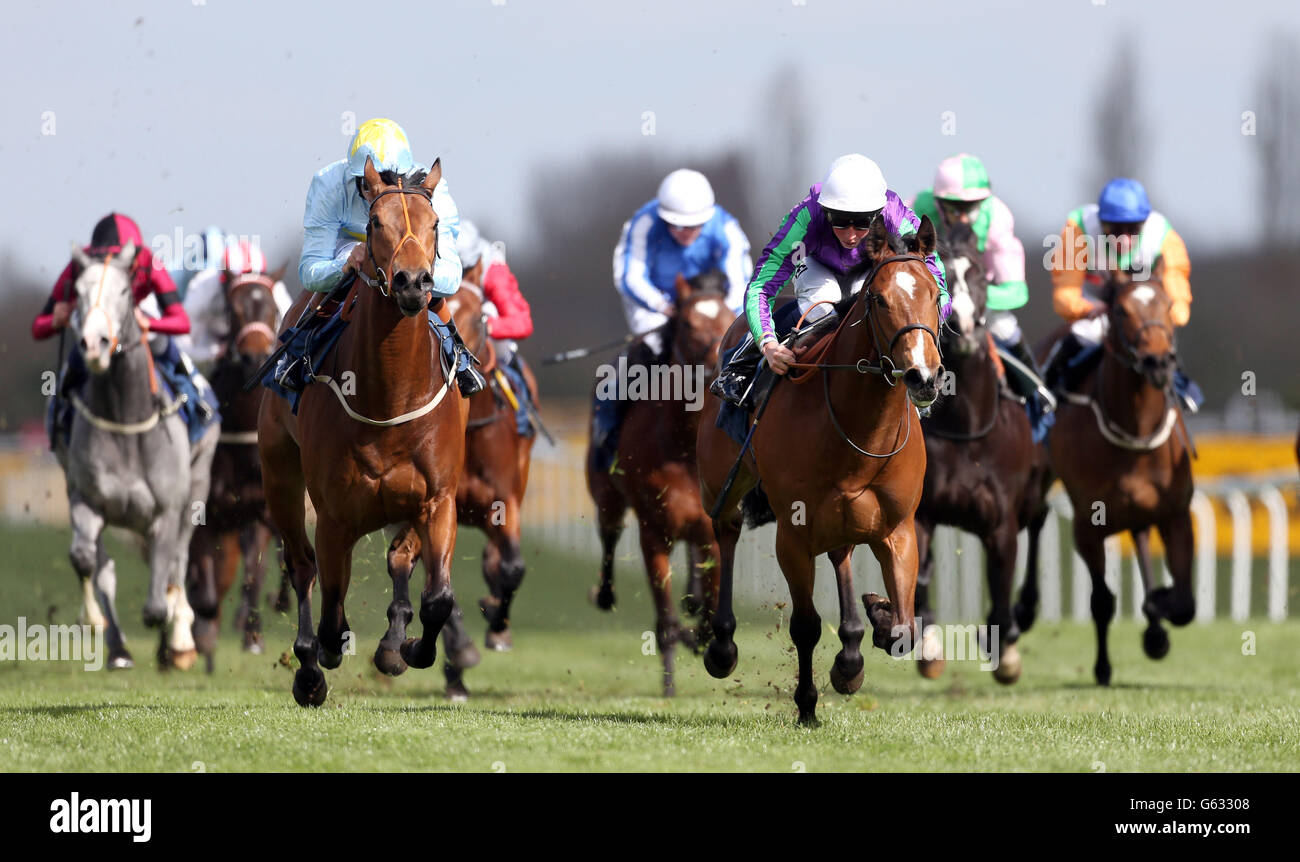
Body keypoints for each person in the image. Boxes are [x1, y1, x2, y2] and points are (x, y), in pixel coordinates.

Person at [711, 154, 950, 405]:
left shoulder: (895, 216)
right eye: (839, 221)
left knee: (883, 309)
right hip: (817, 265)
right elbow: (761, 287)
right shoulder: (807, 217)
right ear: (825, 212)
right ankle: (742, 364)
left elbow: (935, 287)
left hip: (872, 269)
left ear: (877, 214)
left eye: (860, 223)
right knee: (825, 307)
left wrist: (924, 326)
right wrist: (768, 344)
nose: (850, 235)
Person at [295, 117, 484, 395]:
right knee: (344, 269)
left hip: (406, 253)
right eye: (369, 182)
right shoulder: (328, 184)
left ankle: (458, 354)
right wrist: (343, 267)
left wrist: (415, 273)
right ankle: (296, 352)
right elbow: (310, 271)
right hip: (350, 247)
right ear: (356, 176)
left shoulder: (434, 191)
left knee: (419, 277)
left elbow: (452, 278)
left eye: (388, 180)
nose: (379, 188)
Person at [593, 169, 752, 453]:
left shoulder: (726, 228)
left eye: (694, 226)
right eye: (675, 226)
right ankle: (608, 429)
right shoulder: (643, 222)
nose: (685, 233)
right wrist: (664, 307)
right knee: (649, 347)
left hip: (710, 306)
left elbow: (740, 281)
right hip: (656, 304)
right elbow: (630, 276)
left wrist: (720, 314)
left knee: (737, 348)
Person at [33, 212, 218, 447]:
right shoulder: (79, 266)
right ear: (95, 254)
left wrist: (150, 324)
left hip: (139, 320)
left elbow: (182, 322)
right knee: (70, 371)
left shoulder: (149, 263)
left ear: (134, 258)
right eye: (104, 260)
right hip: (97, 326)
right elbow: (39, 328)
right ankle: (61, 421)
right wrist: (55, 320)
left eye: (120, 260)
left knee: (169, 353)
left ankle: (197, 407)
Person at [1043, 177, 1202, 411]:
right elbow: (1064, 296)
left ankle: (1181, 387)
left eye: (1132, 229)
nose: (1123, 238)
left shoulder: (1162, 236)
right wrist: (1088, 309)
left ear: (1144, 223)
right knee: (1084, 334)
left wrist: (1168, 315)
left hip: (1140, 309)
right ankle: (1049, 387)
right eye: (1114, 229)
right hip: (1096, 303)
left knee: (1157, 339)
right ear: (1101, 222)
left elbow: (1177, 292)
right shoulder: (1079, 228)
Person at [910, 153, 1054, 411]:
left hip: (976, 298)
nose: (962, 217)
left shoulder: (997, 219)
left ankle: (1037, 396)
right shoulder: (917, 209)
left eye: (970, 208)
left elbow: (1016, 291)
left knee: (1005, 327)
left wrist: (968, 301)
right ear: (938, 203)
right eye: (954, 208)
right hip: (932, 300)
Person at [456, 219, 536, 435]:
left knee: (490, 312)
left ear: (477, 264)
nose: (461, 280)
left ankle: (521, 418)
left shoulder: (493, 271)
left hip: (484, 328)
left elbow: (523, 323)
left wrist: (485, 327)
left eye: (466, 272)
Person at [178, 235, 293, 370]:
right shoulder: (204, 286)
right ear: (226, 279)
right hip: (208, 347)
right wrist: (211, 353)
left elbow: (289, 333)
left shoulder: (276, 289)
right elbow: (181, 340)